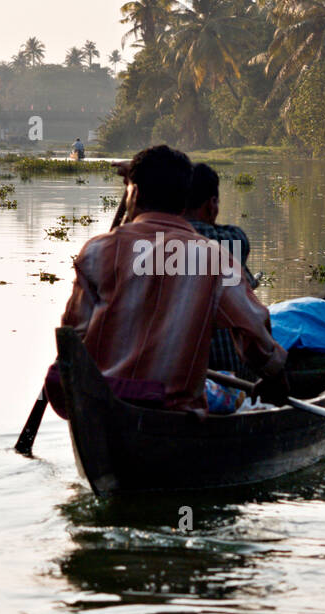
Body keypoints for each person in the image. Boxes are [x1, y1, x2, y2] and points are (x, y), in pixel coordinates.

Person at [59, 145, 286, 413]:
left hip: (101, 401)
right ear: (183, 201)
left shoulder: (97, 251)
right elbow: (255, 334)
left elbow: (73, 338)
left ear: (136, 194)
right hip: (176, 408)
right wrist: (276, 377)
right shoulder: (215, 258)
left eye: (130, 189)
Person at [183, 162, 257, 377]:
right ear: (211, 205)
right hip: (229, 374)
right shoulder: (231, 240)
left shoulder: (152, 242)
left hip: (174, 375)